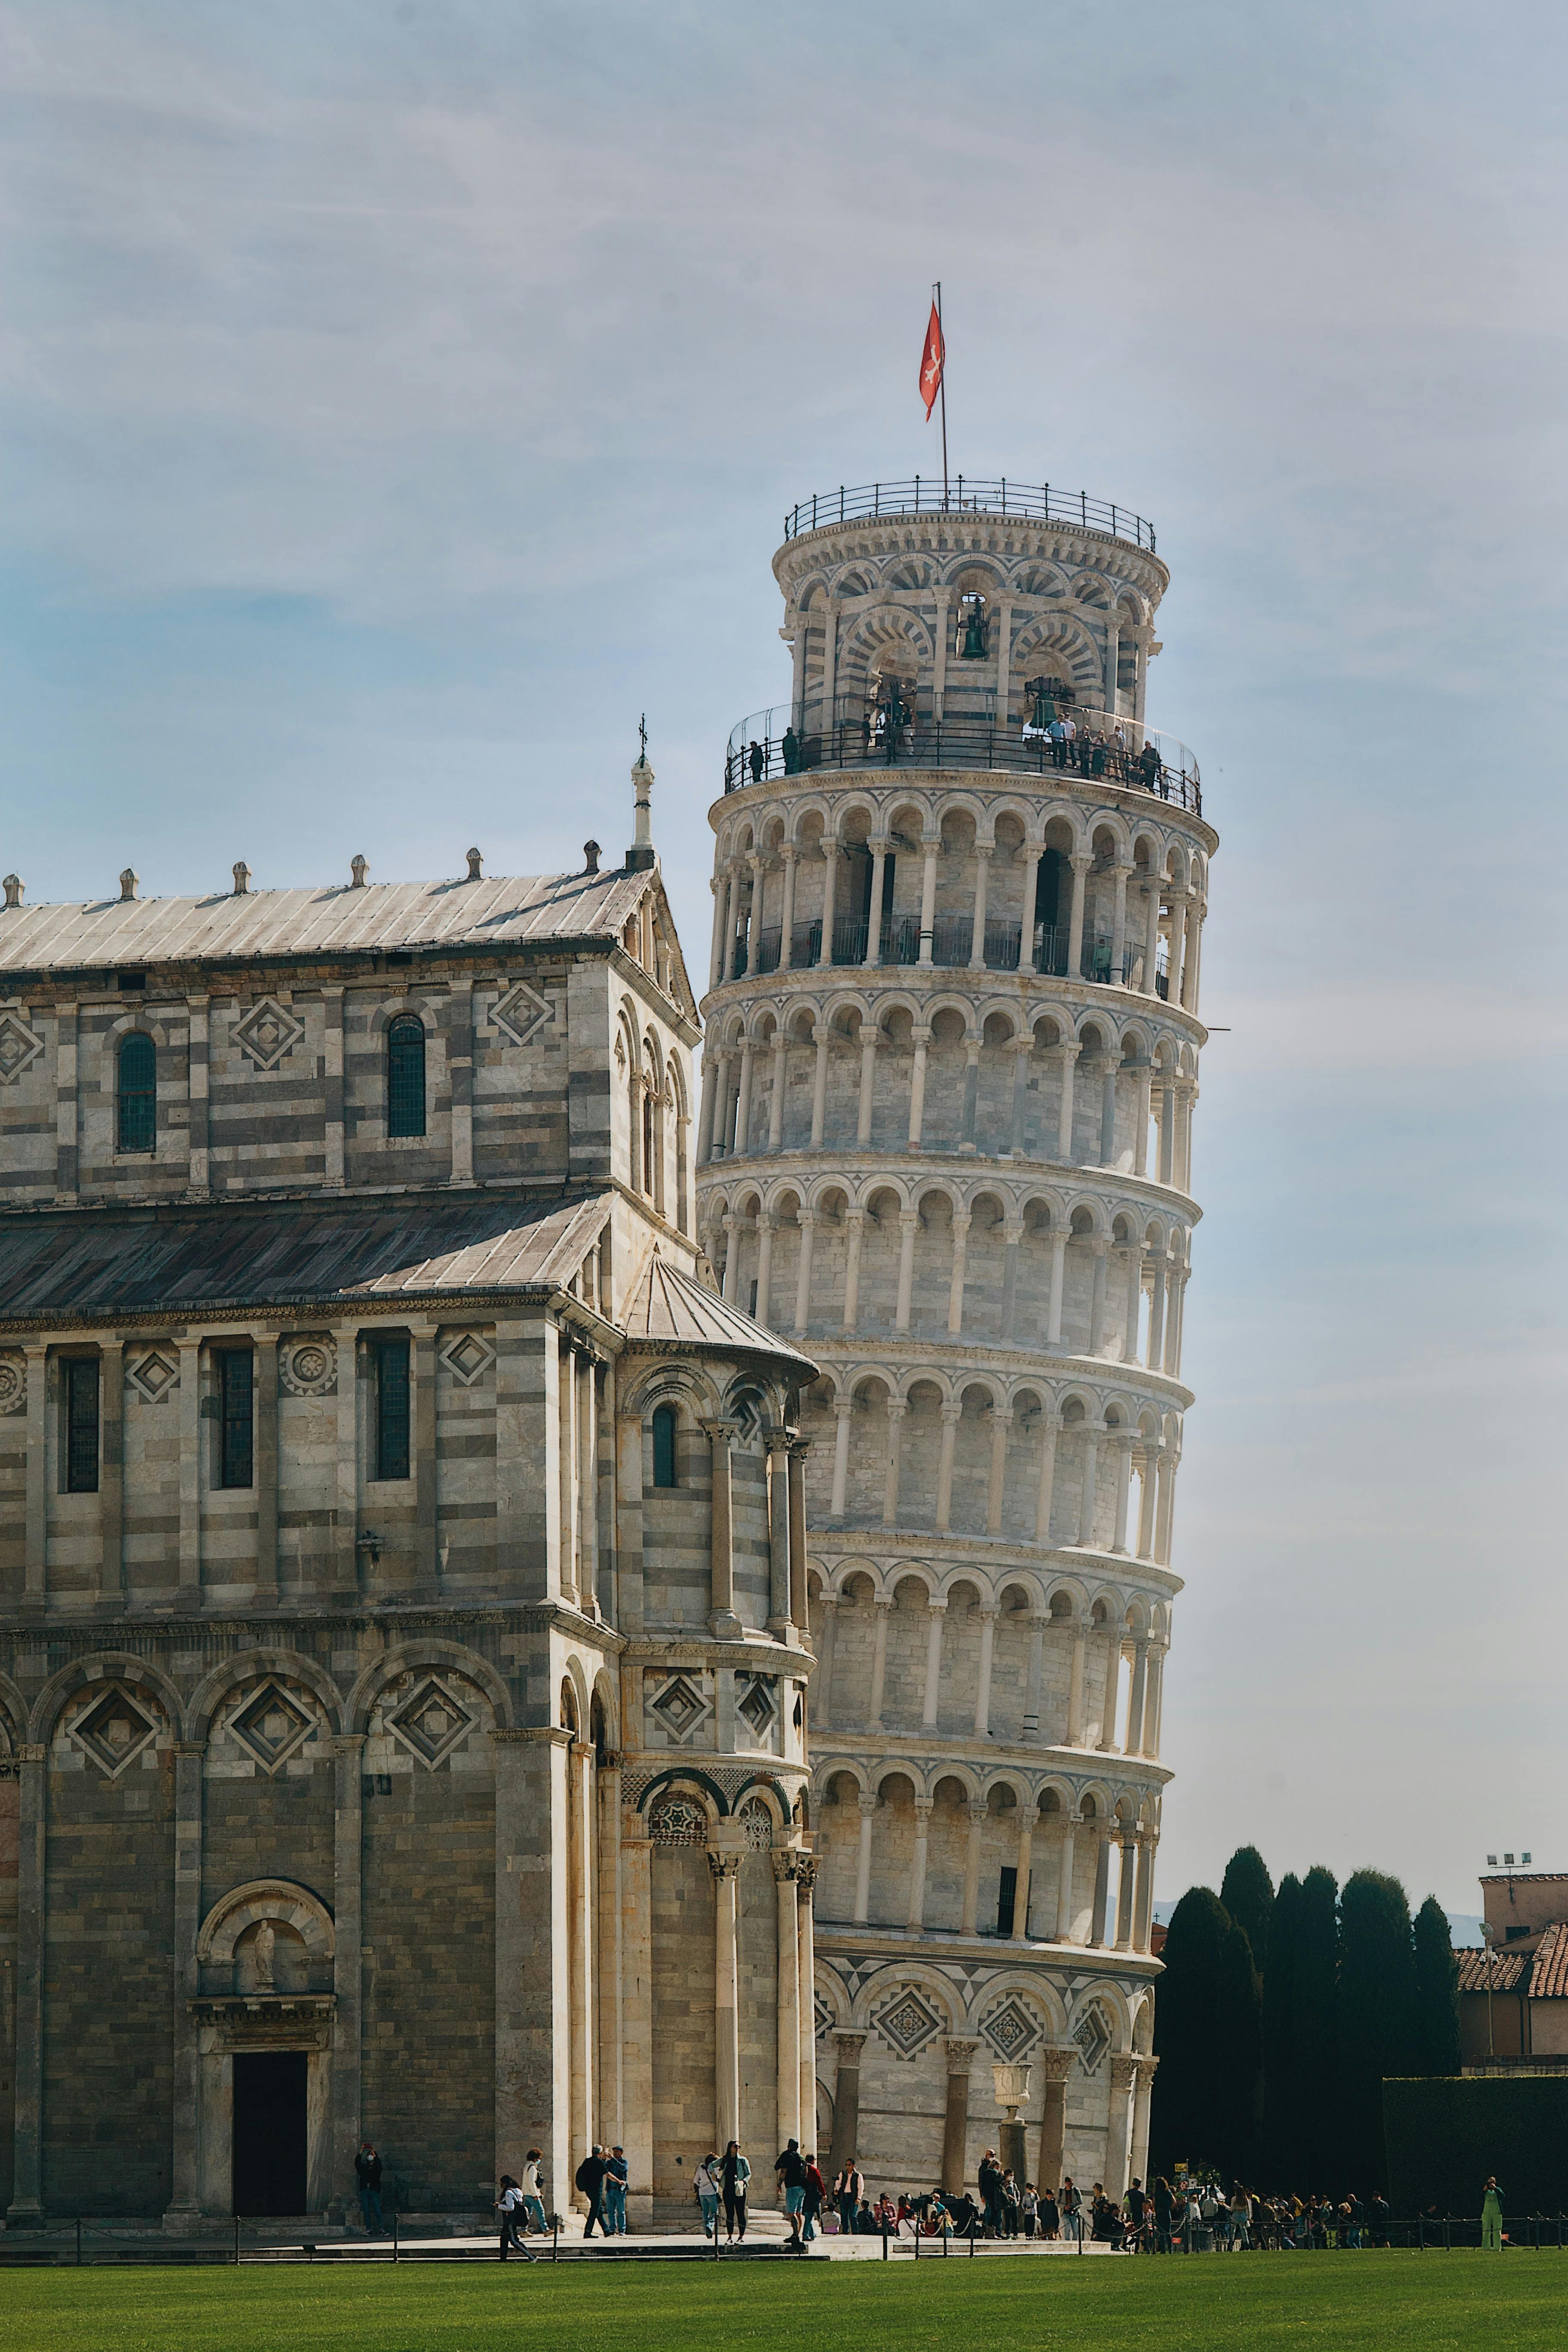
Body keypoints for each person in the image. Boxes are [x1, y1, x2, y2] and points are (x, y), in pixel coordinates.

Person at [775, 2138, 808, 2247]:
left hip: (792, 2187)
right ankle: (797, 2235)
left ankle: (795, 2235)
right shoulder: (802, 2158)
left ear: (789, 2146)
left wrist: (779, 2184)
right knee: (799, 2213)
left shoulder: (787, 2155)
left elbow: (783, 2171)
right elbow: (806, 2172)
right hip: (802, 2188)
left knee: (791, 2213)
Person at [721, 2141, 751, 2242]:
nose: (738, 2148)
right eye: (736, 2146)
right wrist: (716, 2178)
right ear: (731, 2147)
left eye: (739, 2146)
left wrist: (744, 2182)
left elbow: (748, 2174)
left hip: (739, 2190)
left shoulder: (743, 2160)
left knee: (740, 2213)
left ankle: (741, 2236)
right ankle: (730, 2237)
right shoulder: (725, 2160)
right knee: (730, 2214)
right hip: (728, 2190)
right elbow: (712, 2165)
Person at [576, 2145, 608, 2237]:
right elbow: (607, 2173)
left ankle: (606, 2230)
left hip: (588, 2190)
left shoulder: (588, 2161)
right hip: (596, 2191)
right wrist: (619, 2181)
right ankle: (588, 2232)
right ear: (600, 2153)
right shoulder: (598, 2162)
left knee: (599, 2210)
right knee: (594, 2211)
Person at [355, 2142, 384, 2236]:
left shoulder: (376, 2168)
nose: (370, 2157)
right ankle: (369, 2229)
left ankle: (382, 2229)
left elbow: (379, 2165)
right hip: (365, 2190)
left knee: (378, 2211)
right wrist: (361, 2151)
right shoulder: (364, 2167)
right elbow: (357, 2163)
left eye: (372, 2155)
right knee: (366, 2211)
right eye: (369, 2155)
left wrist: (374, 2152)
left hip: (374, 2190)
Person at [520, 2148, 547, 2236]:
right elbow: (531, 2182)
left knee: (527, 2212)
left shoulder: (527, 2166)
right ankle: (545, 2229)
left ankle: (524, 2230)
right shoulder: (532, 2168)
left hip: (527, 2193)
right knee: (540, 2210)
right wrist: (536, 2194)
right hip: (531, 2194)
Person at [694, 2153, 721, 2238]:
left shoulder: (700, 2168)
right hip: (711, 2193)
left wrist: (701, 2186)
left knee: (705, 2213)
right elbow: (717, 2178)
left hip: (702, 2193)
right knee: (714, 2213)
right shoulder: (715, 2169)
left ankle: (707, 2232)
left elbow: (696, 2181)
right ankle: (710, 2226)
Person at [603, 2145, 628, 2236]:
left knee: (621, 2212)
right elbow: (603, 2169)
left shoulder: (624, 2162)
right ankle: (612, 2229)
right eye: (614, 2152)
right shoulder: (610, 2163)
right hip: (611, 2190)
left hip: (620, 2191)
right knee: (611, 2211)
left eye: (617, 2152)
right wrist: (603, 2159)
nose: (615, 2153)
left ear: (621, 2153)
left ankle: (622, 2230)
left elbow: (623, 2168)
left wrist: (613, 2159)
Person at [834, 2159, 863, 2236]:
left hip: (853, 2197)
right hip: (844, 2196)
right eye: (846, 2165)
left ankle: (855, 2231)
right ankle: (845, 2231)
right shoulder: (843, 2174)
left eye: (849, 2165)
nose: (848, 2167)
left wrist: (859, 2198)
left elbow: (860, 2187)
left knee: (852, 2215)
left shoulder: (858, 2175)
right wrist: (836, 2190)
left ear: (853, 2165)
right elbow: (838, 2183)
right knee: (844, 2214)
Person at [802, 2153, 826, 2243]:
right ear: (813, 2160)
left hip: (804, 2194)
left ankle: (812, 2234)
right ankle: (806, 2234)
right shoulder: (813, 2170)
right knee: (810, 2215)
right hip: (812, 2195)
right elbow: (819, 2182)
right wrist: (824, 2193)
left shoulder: (803, 2170)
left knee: (809, 2215)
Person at [1481, 2175, 1505, 2251]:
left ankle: (1497, 2248)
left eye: (1492, 2182)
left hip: (1497, 2213)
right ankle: (1486, 2248)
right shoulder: (1485, 2191)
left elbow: (1503, 2196)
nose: (1491, 2184)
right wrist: (1484, 2191)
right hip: (1486, 2213)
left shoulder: (1498, 2190)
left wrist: (1495, 2188)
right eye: (1489, 2182)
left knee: (1497, 2231)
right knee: (1486, 2231)